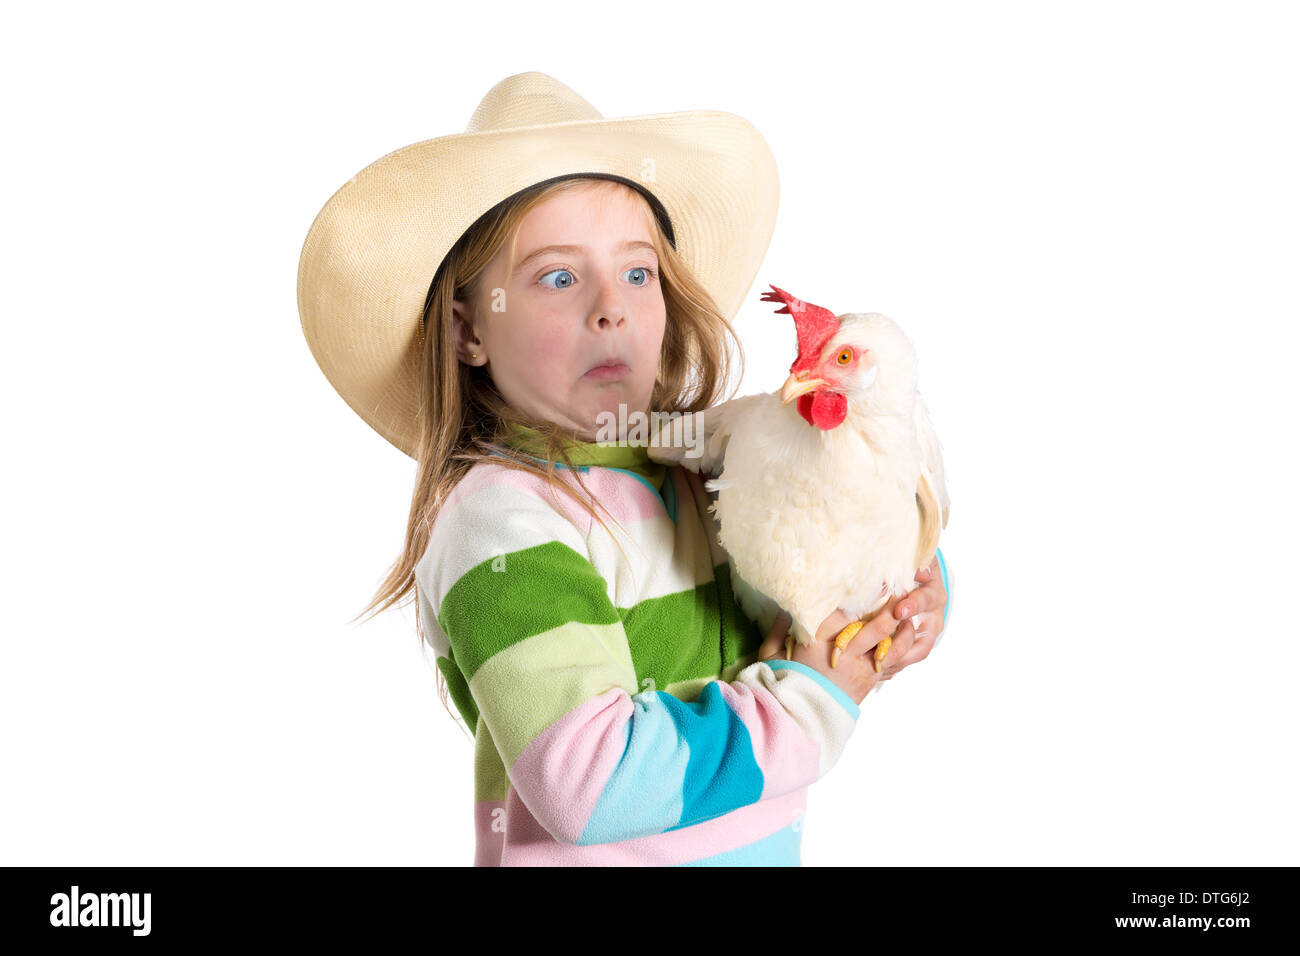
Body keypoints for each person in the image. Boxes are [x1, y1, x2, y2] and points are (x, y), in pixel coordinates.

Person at [297, 72, 951, 866]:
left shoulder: (696, 456)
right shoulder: (503, 520)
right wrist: (812, 701)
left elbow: (827, 522)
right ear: (469, 330)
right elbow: (590, 783)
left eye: (637, 273)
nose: (609, 306)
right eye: (559, 276)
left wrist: (909, 586)